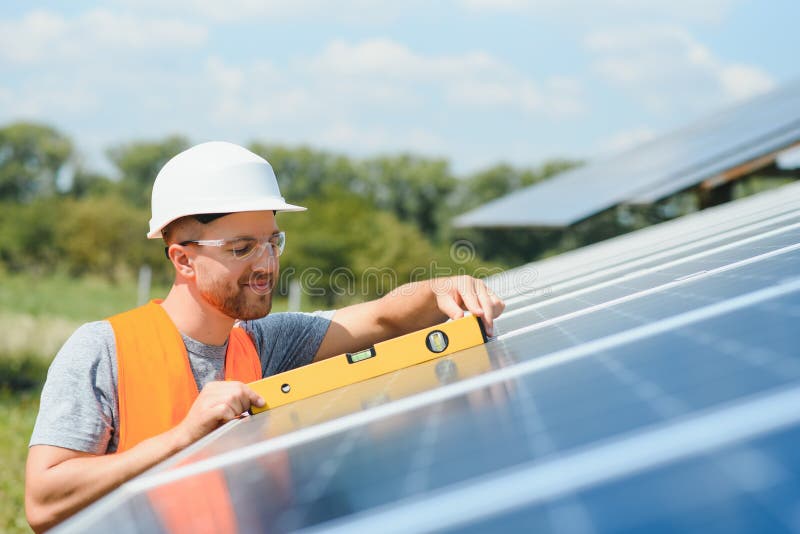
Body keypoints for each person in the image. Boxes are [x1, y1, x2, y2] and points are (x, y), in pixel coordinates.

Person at [24, 141, 505, 531]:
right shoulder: (103, 350)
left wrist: (443, 287)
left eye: (272, 241)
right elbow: (43, 503)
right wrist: (184, 438)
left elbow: (384, 319)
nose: (266, 264)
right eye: (241, 248)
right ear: (183, 260)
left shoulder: (266, 342)